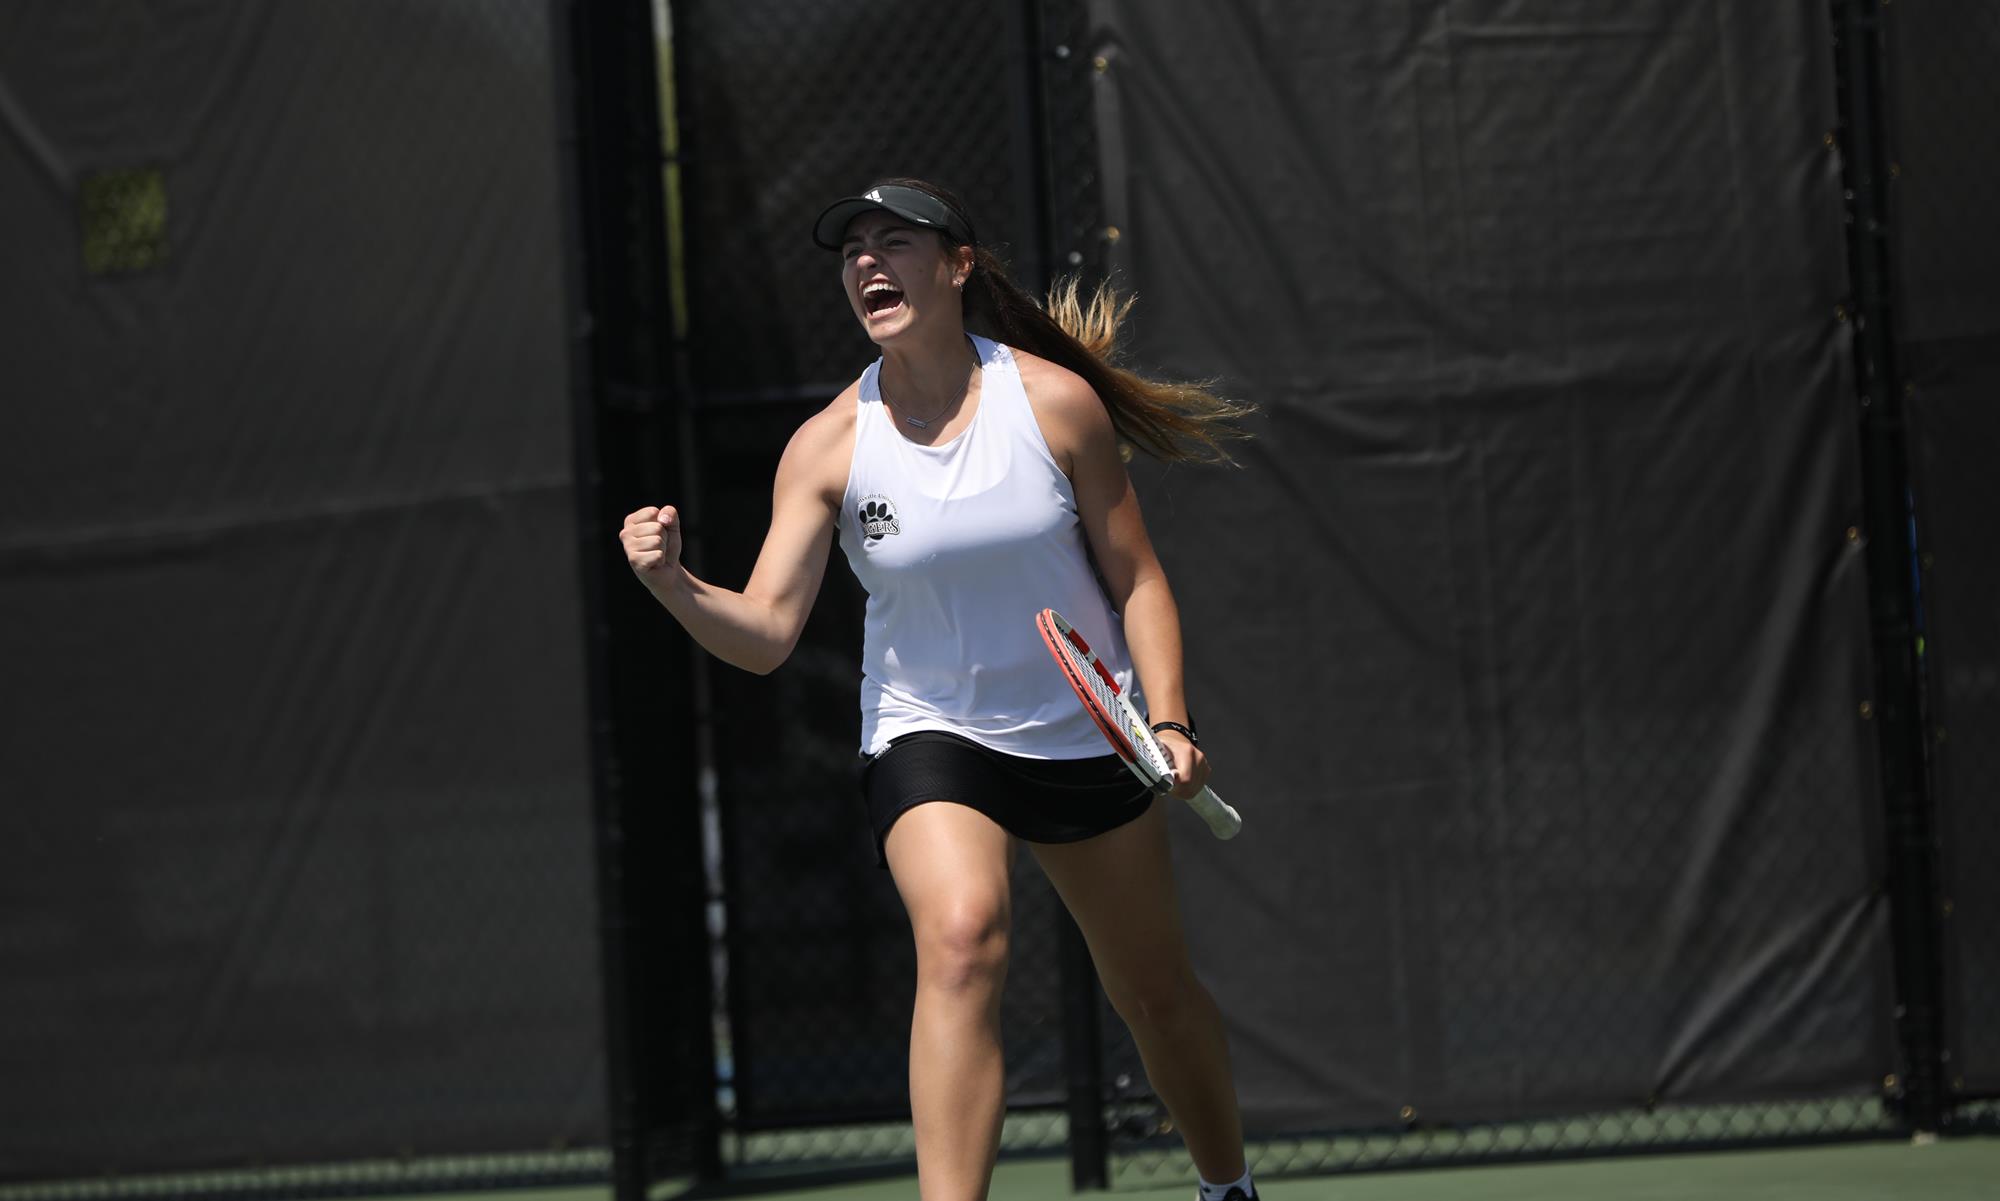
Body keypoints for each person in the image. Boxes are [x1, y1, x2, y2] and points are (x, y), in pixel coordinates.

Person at [618, 178, 1259, 1201]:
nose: (867, 263)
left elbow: (1137, 578)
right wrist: (675, 585)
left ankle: (1226, 1187)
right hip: (929, 731)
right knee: (961, 938)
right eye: (851, 252)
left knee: (1153, 990)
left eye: (894, 242)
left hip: (1080, 729)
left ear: (957, 265)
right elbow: (765, 634)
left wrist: (1170, 717)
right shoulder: (829, 445)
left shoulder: (1053, 404)